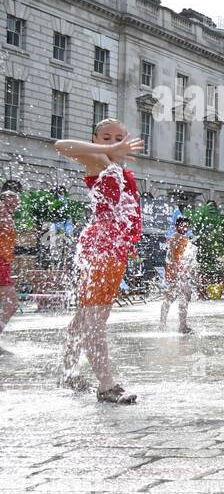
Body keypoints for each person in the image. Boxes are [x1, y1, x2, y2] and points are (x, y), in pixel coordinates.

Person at [55, 119, 144, 403]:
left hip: (114, 248)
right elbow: (60, 146)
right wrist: (107, 149)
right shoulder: (99, 160)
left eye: (120, 137)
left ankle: (67, 372)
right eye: (107, 137)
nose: (114, 142)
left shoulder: (116, 166)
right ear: (95, 138)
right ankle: (106, 385)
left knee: (85, 316)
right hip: (102, 247)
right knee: (96, 318)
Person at [159, 216, 197, 334]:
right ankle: (171, 326)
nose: (185, 228)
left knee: (182, 298)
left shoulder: (182, 238)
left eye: (187, 226)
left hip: (180, 273)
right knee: (171, 298)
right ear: (177, 226)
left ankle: (177, 325)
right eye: (182, 225)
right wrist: (176, 272)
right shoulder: (176, 237)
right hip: (175, 273)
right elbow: (171, 258)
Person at [0, 179, 21, 353]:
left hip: (3, 263)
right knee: (12, 303)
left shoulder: (5, 213)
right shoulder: (1, 210)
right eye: (15, 200)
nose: (17, 205)